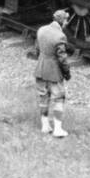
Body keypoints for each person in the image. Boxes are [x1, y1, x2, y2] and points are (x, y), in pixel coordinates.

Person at [34, 9, 72, 138]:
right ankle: (57, 129)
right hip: (54, 72)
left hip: (40, 69)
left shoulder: (41, 30)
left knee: (43, 97)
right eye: (66, 20)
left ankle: (45, 126)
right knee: (59, 98)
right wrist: (67, 73)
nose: (67, 23)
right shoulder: (60, 36)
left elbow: (37, 50)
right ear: (62, 21)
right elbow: (62, 58)